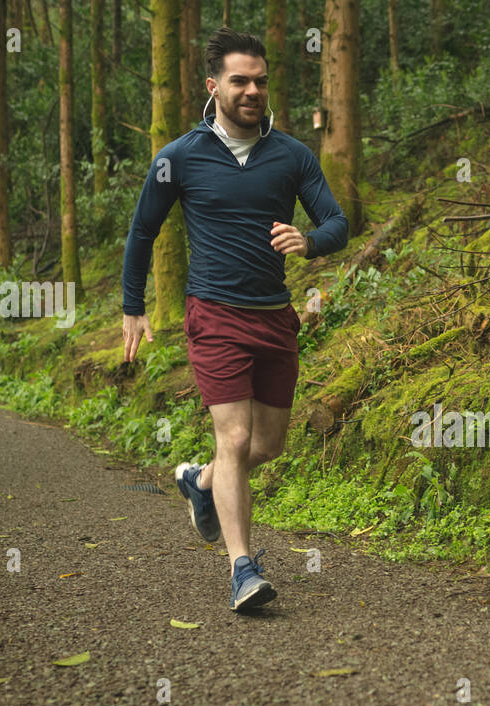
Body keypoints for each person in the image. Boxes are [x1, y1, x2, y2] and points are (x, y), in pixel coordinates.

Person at [120, 27, 348, 613]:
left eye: (261, 81)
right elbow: (144, 231)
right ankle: (243, 569)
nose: (252, 91)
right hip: (214, 314)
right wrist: (133, 307)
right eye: (240, 80)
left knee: (268, 445)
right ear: (213, 85)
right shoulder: (178, 158)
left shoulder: (293, 155)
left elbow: (338, 223)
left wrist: (312, 239)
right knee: (237, 436)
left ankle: (199, 482)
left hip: (275, 319)